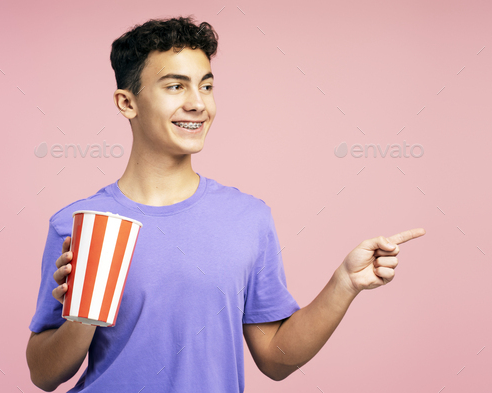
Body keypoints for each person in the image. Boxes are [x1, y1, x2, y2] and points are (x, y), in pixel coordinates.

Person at [26, 15, 426, 392]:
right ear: (127, 103)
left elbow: (275, 358)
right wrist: (83, 316)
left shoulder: (247, 218)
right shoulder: (78, 224)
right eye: (175, 86)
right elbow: (44, 375)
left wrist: (345, 283)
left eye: (206, 85)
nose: (198, 103)